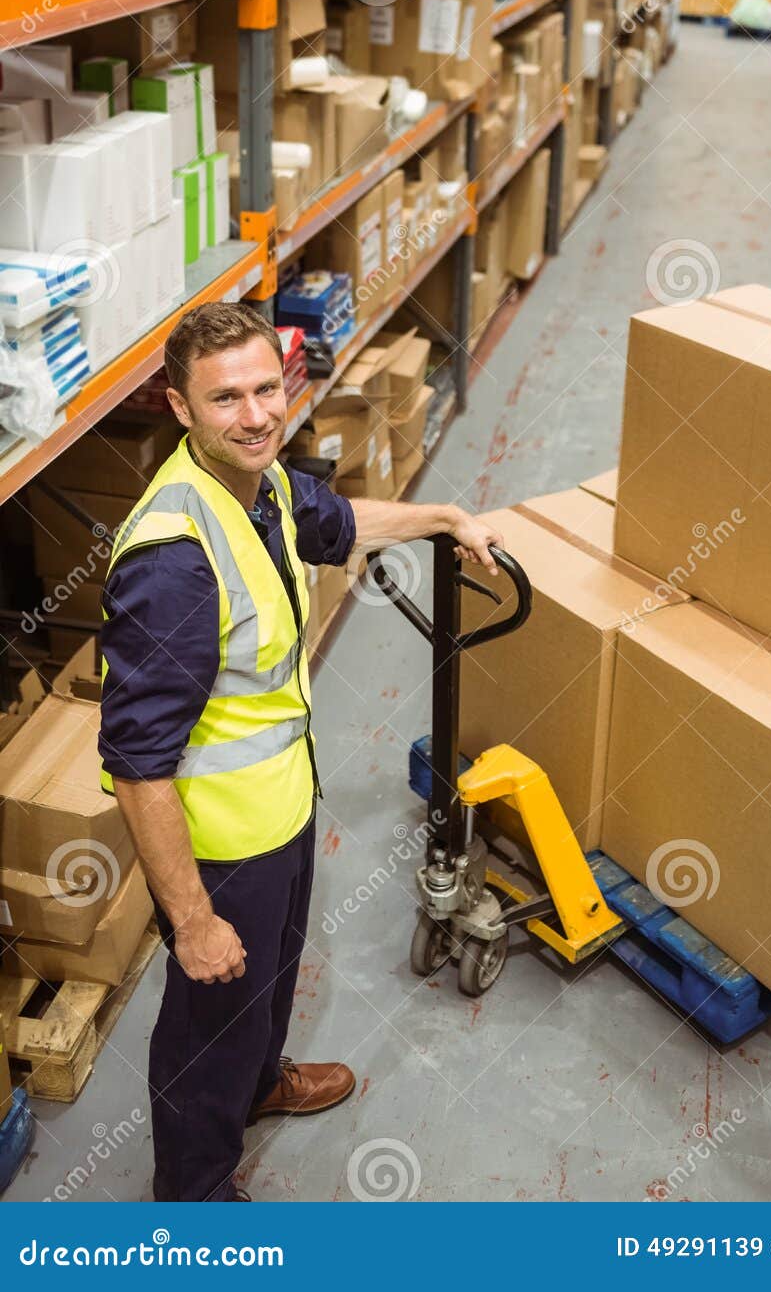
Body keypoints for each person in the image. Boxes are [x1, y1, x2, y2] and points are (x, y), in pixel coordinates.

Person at [98, 302, 501, 1202]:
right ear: (180, 409)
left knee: (269, 981)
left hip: (282, 805)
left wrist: (442, 515)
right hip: (220, 842)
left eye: (265, 389)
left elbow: (338, 524)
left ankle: (256, 1086)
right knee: (211, 1012)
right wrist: (193, 919)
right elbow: (137, 764)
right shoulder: (173, 560)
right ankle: (195, 1197)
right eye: (225, 399)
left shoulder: (265, 483)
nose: (255, 415)